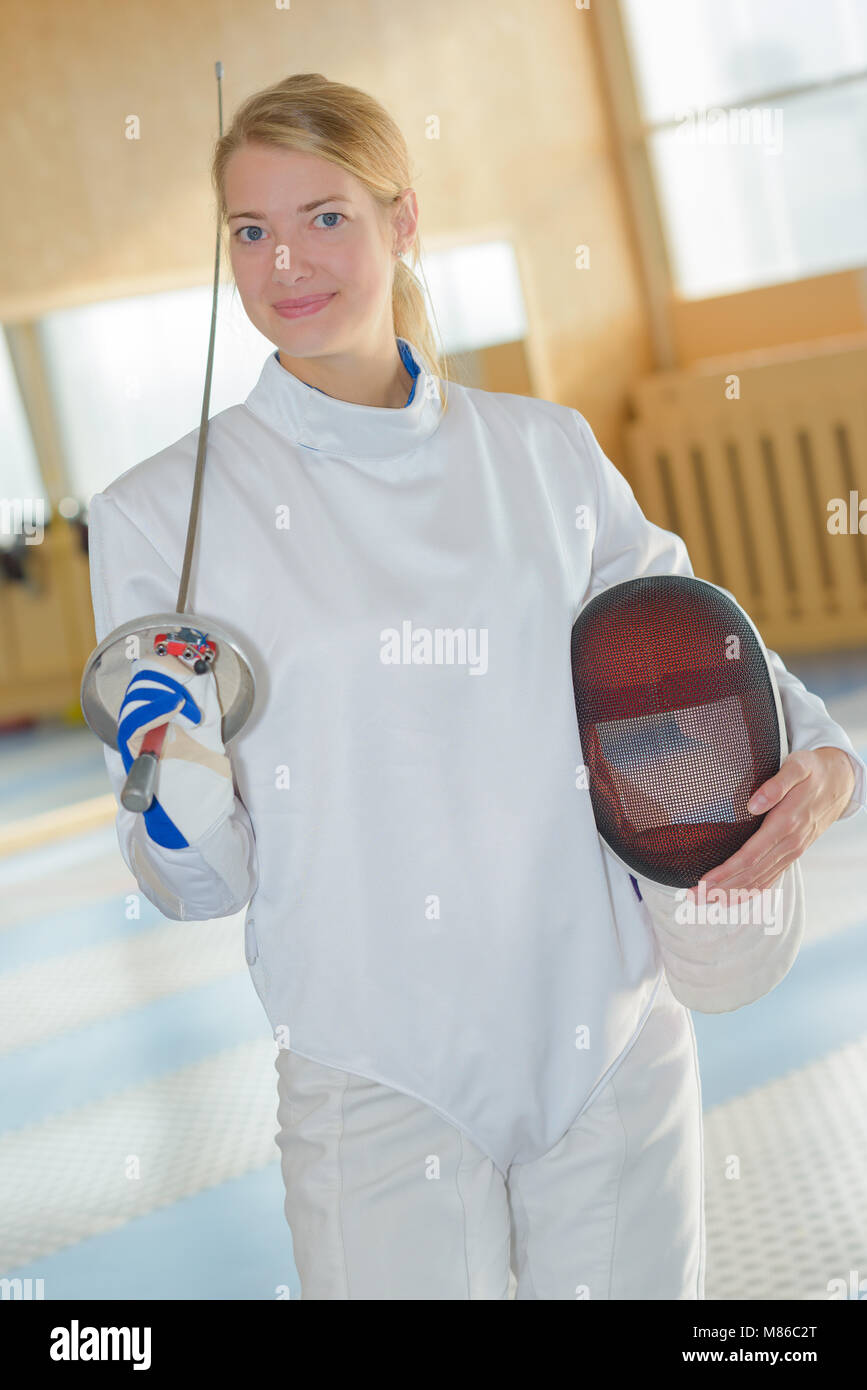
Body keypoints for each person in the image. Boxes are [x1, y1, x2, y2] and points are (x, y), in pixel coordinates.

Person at [87, 73, 866, 1301]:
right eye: (251, 230)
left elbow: (697, 641)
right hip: (373, 1066)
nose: (287, 259)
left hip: (607, 1030)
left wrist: (825, 763)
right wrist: (167, 787)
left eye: (325, 215)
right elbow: (197, 881)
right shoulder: (163, 520)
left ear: (402, 222)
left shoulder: (545, 451)